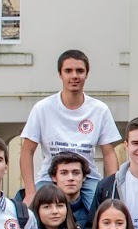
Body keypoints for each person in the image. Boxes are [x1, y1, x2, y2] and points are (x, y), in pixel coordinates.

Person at [19, 50, 121, 211]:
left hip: (88, 178)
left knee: (107, 213)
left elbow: (108, 153)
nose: (74, 76)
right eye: (68, 71)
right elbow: (26, 151)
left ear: (87, 74)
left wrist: (112, 191)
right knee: (32, 214)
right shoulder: (43, 108)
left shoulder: (99, 109)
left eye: (80, 71)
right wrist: (30, 191)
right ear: (60, 74)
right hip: (49, 177)